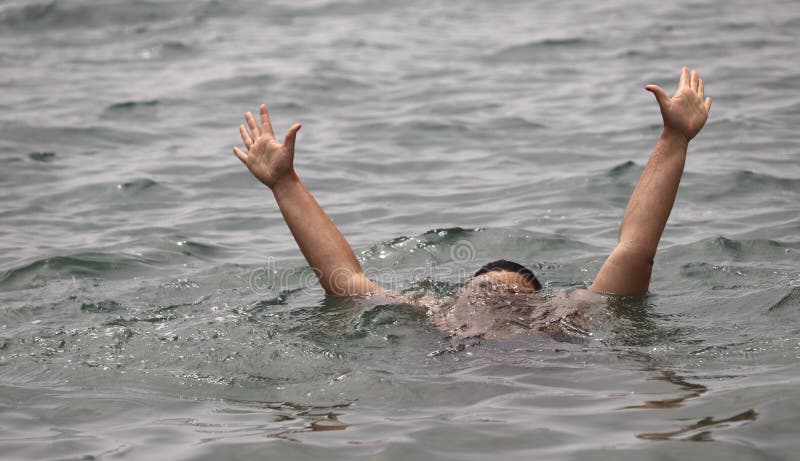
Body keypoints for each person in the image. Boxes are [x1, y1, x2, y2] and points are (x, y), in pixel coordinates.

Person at [233, 67, 712, 337]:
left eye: (512, 297)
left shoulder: (569, 317)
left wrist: (674, 140)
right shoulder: (435, 316)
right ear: (458, 299)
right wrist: (285, 184)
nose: (498, 301)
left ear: (543, 304)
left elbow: (634, 250)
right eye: (485, 292)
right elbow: (345, 282)